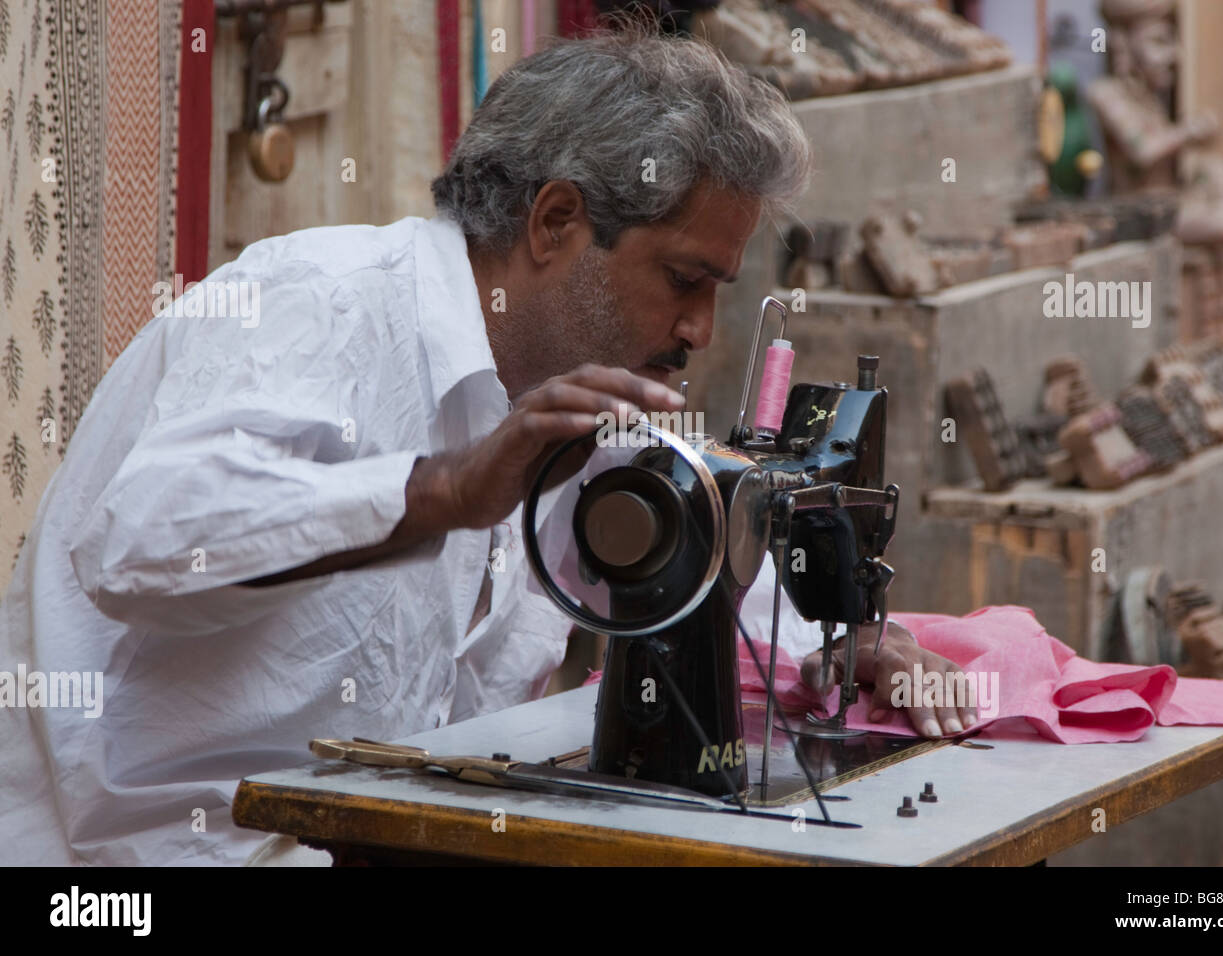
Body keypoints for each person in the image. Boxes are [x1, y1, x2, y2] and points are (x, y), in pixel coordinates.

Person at [0, 29, 973, 866]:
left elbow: (700, 552)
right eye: (683, 279)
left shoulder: (570, 405)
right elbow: (140, 538)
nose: (700, 331)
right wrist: (441, 492)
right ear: (555, 221)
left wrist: (846, 638)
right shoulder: (319, 303)